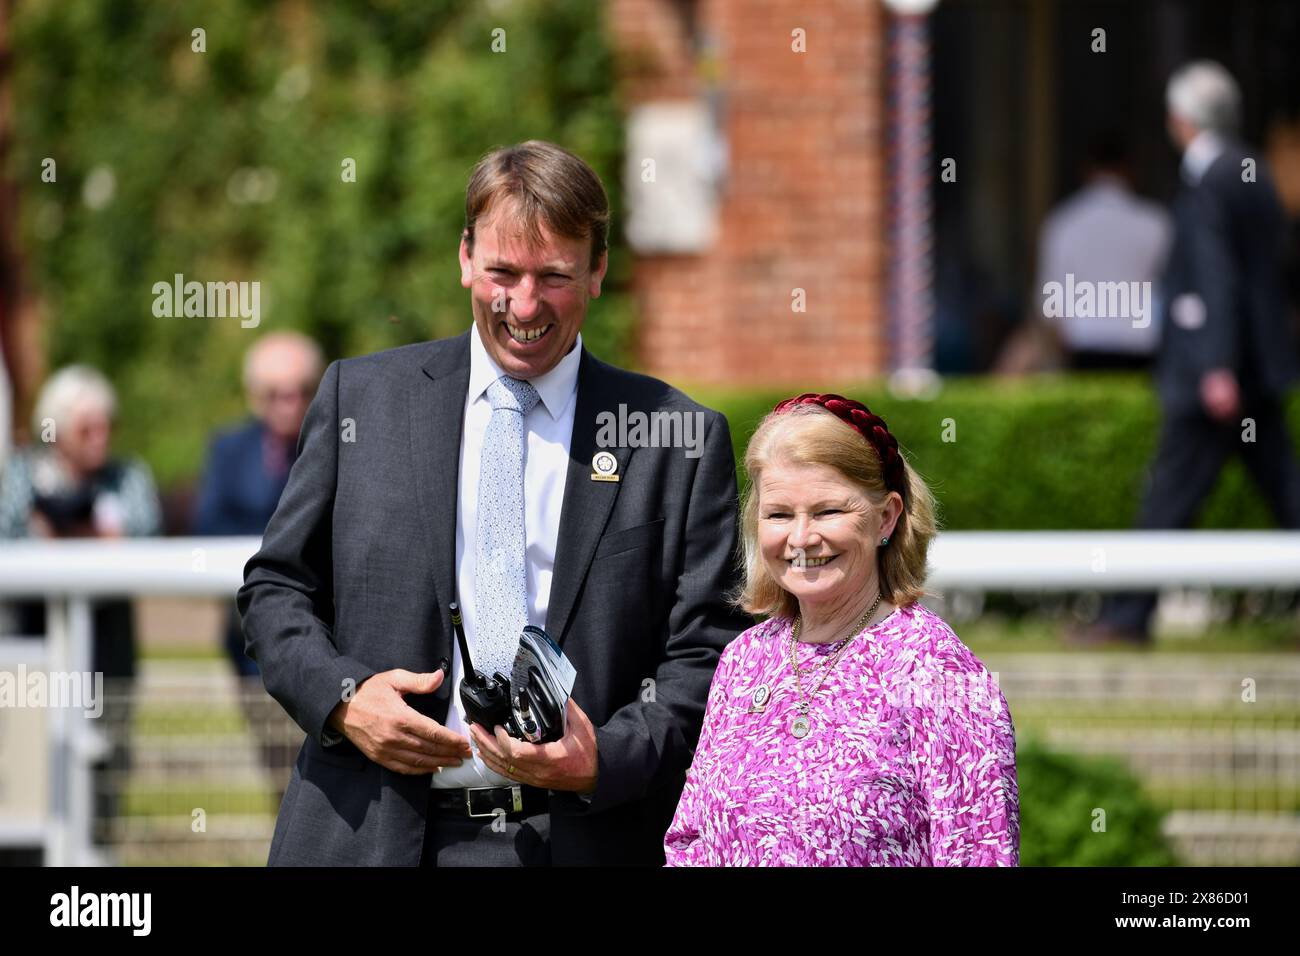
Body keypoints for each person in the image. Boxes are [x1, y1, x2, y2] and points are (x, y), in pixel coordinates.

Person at [237, 140, 750, 866]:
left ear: (598, 270)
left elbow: (711, 658)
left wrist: (605, 755)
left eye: (555, 276)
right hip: (368, 836)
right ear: (465, 257)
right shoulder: (362, 399)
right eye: (503, 272)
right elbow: (276, 589)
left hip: (580, 839)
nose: (525, 305)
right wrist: (346, 700)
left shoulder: (679, 438)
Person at [664, 394, 1019, 866]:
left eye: (828, 511)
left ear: (886, 518)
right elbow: (690, 843)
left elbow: (982, 852)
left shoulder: (937, 669)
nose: (801, 538)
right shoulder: (745, 659)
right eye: (779, 515)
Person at [1081, 62, 1300, 645]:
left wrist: (1215, 366)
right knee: (1283, 489)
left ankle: (1126, 617)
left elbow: (1215, 280)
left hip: (1219, 377)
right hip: (1254, 371)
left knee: (1171, 493)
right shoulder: (1253, 171)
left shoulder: (1210, 177)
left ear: (1181, 120)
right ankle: (1127, 614)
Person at [0, 364, 162, 844]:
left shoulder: (127, 475)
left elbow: (144, 536)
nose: (99, 438)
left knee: (105, 754)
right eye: (85, 428)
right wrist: (90, 539)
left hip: (107, 644)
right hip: (32, 644)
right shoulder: (23, 473)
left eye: (105, 426)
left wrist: (61, 533)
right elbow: (12, 540)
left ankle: (95, 860)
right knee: (30, 757)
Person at [194, 331, 324, 676]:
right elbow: (209, 524)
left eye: (301, 390)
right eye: (276, 394)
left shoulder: (335, 444)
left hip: (319, 620)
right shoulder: (228, 449)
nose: (290, 403)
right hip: (246, 621)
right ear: (256, 395)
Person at [1035, 133, 1173, 371]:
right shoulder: (1155, 222)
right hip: (1141, 342)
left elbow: (1050, 299)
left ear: (1087, 171)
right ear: (1130, 170)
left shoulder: (1064, 222)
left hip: (1084, 343)